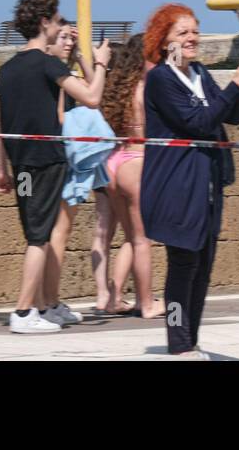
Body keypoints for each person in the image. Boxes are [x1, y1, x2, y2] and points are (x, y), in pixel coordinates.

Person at [139, 4, 239, 358]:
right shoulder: (161, 79)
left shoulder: (199, 72)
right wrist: (233, 89)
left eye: (195, 31)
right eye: (182, 32)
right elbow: (196, 122)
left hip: (208, 184)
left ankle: (191, 340)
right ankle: (178, 344)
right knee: (182, 265)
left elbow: (228, 115)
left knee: (201, 266)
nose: (192, 38)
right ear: (164, 40)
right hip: (175, 185)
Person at [0, 0, 112, 334]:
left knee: (35, 232)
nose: (62, 26)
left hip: (22, 166)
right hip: (45, 161)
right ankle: (23, 311)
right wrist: (101, 62)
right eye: (59, 21)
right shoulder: (46, 64)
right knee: (39, 236)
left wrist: (2, 170)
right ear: (44, 23)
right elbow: (92, 97)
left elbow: (1, 125)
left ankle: (42, 307)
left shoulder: (6, 70)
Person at [45, 22, 112, 325]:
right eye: (63, 37)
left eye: (71, 38)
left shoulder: (62, 73)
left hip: (66, 162)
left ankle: (50, 300)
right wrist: (98, 63)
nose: (68, 43)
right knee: (53, 234)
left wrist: (85, 56)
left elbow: (92, 88)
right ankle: (46, 302)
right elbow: (63, 115)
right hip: (56, 162)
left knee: (60, 232)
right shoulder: (52, 76)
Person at [100, 34, 160, 318]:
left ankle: (114, 297)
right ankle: (146, 303)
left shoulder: (120, 88)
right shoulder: (148, 89)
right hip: (136, 160)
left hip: (113, 161)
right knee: (142, 239)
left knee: (129, 238)